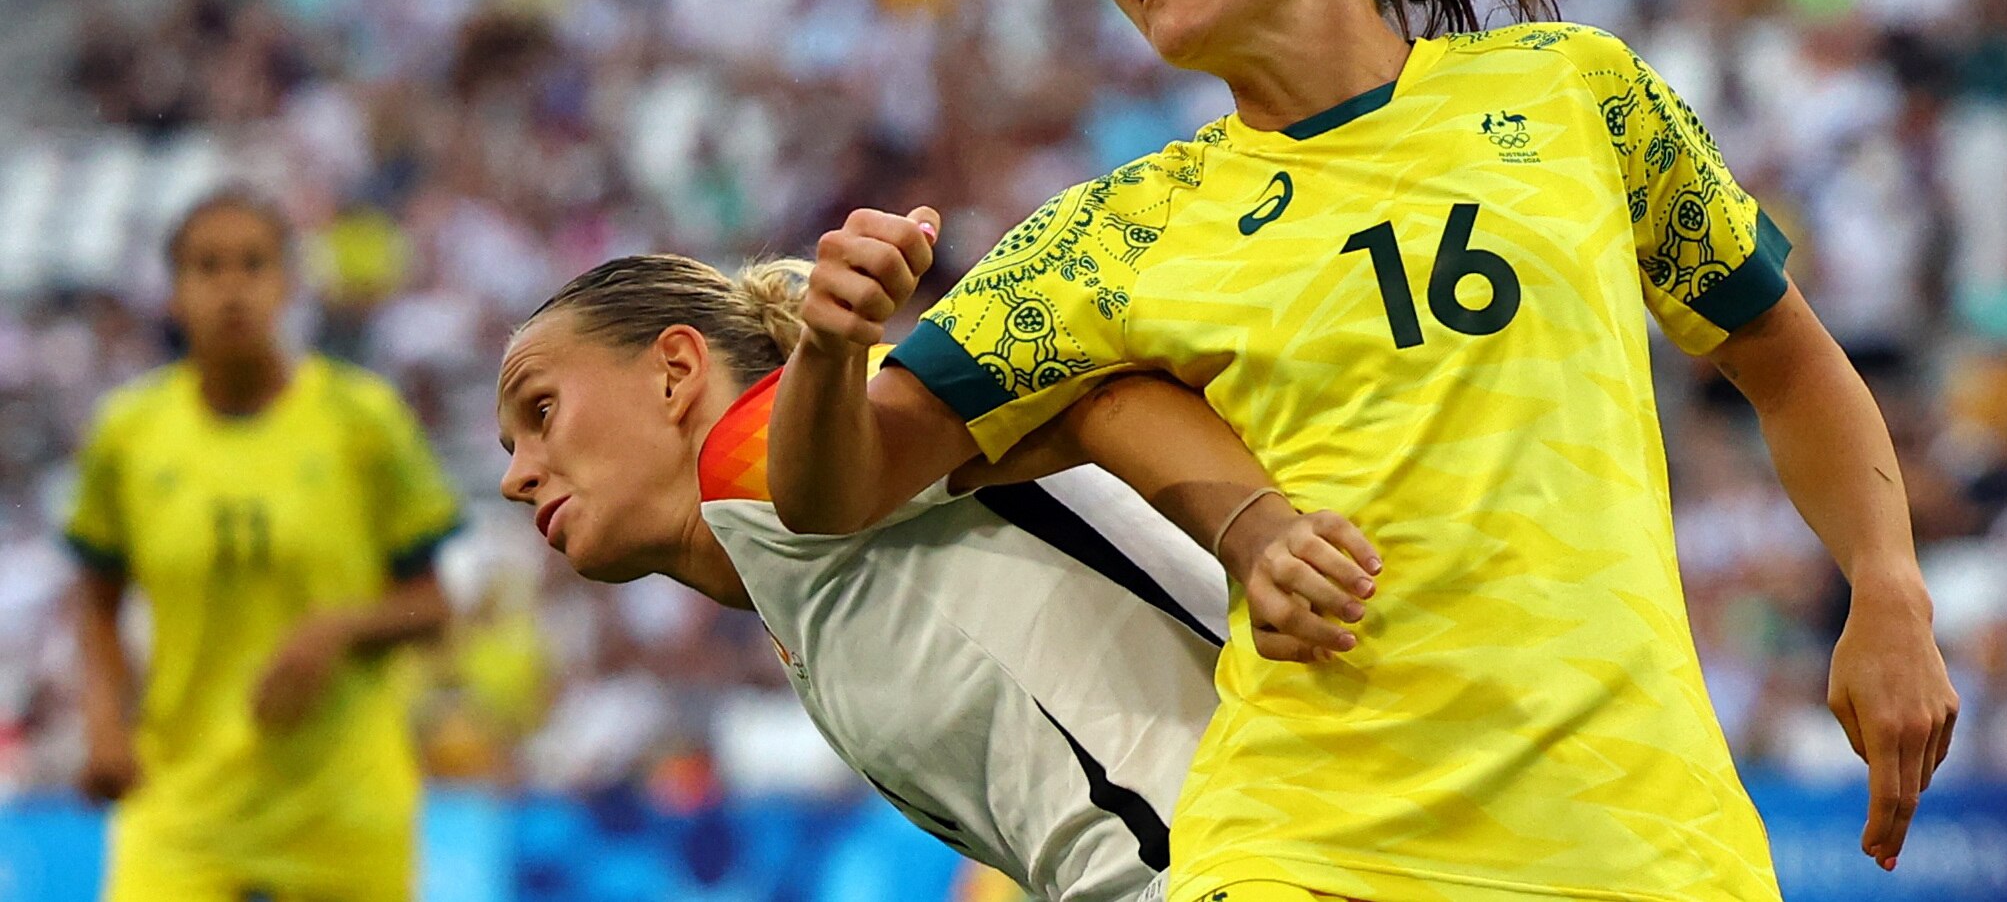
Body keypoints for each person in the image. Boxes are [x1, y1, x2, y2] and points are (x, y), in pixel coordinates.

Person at [764, 0, 1962, 902]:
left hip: (1642, 842)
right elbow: (835, 489)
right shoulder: (1113, 232)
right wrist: (826, 345)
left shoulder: (1570, 91)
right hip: (1307, 844)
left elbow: (1783, 358)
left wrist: (1886, 583)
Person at [495, 250, 1365, 902]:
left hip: (1274, 850)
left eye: (541, 412)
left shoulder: (758, 451)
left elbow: (1096, 397)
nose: (515, 476)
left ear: (676, 373)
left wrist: (1256, 535)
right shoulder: (787, 583)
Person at [66, 188, 461, 902]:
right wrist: (103, 727)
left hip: (339, 806)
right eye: (207, 268)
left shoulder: (363, 420)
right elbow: (96, 601)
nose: (231, 288)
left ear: (286, 284)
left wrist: (335, 629)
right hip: (184, 803)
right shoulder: (127, 434)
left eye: (253, 264)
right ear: (175, 293)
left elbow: (431, 606)